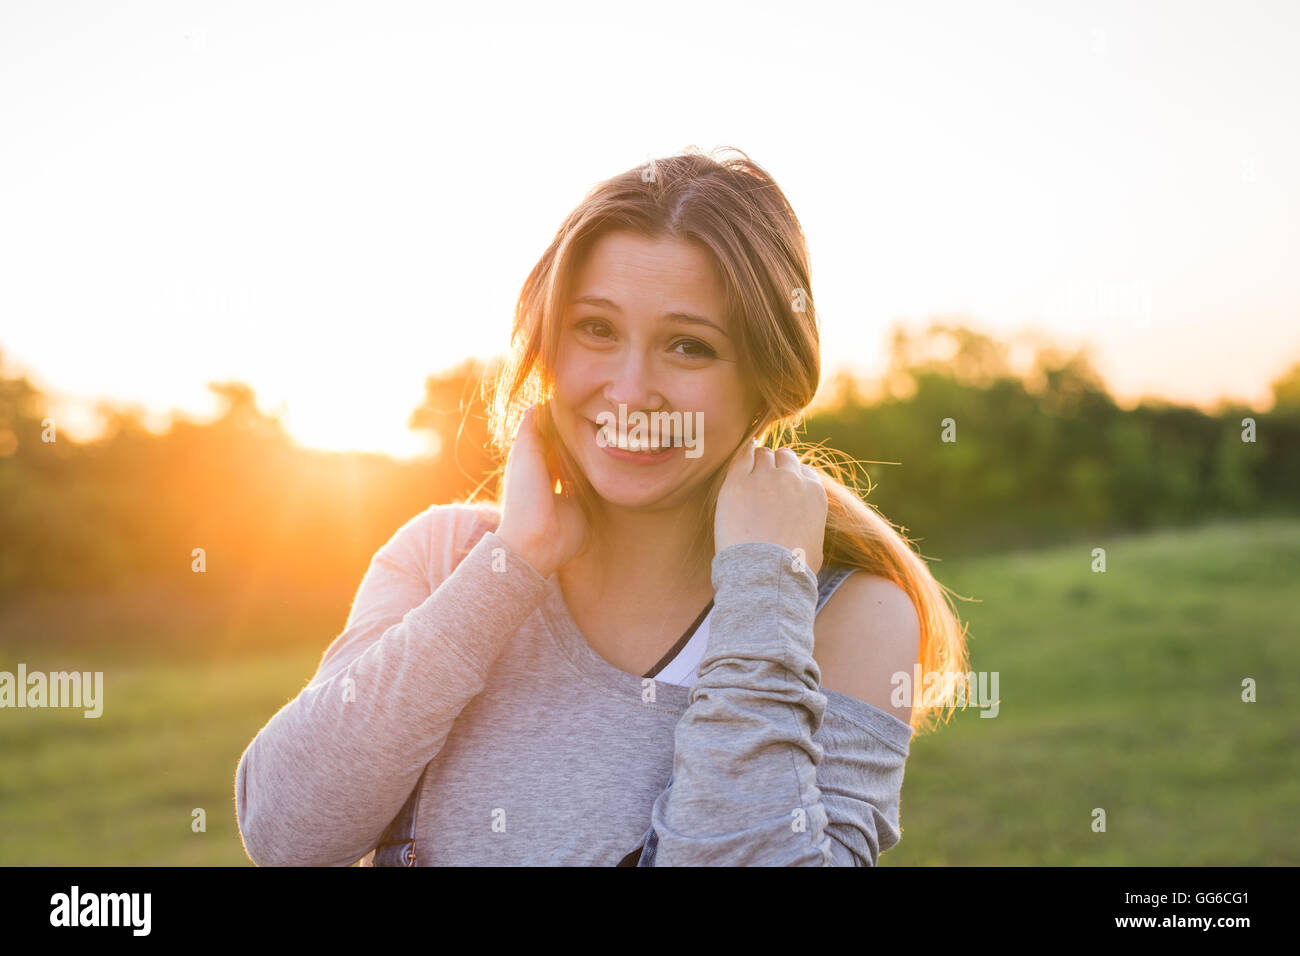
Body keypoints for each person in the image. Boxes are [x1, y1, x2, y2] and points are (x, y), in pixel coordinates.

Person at [234, 147, 971, 866]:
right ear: (547, 346)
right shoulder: (443, 557)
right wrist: (511, 565)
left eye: (688, 346)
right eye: (597, 329)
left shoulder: (845, 616)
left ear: (768, 380)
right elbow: (286, 833)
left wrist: (761, 592)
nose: (629, 390)